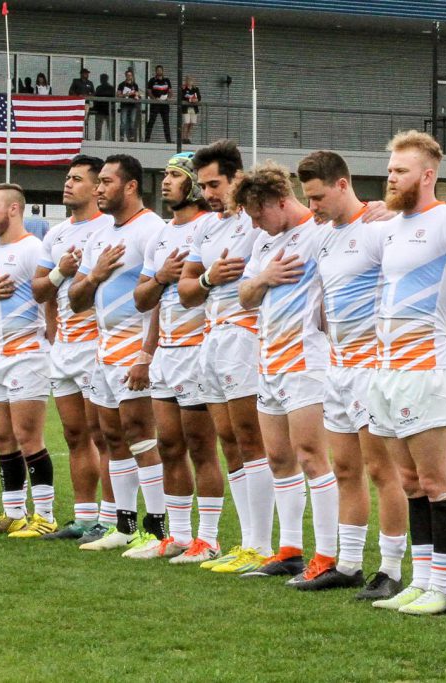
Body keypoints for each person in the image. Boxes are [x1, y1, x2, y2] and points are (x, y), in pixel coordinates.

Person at [368, 131, 446, 616]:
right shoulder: (391, 227)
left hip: (425, 368)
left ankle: (441, 588)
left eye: (400, 171)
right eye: (389, 170)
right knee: (409, 481)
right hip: (384, 369)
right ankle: (419, 580)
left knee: (437, 480)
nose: (391, 178)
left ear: (426, 175)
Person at [297, 150, 410, 597]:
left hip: (372, 366)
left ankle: (392, 569)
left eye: (318, 197)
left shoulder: (381, 227)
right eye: (307, 198)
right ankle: (347, 564)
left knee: (383, 470)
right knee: (345, 468)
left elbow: (419, 267)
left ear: (343, 184)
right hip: (337, 365)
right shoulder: (324, 235)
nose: (313, 207)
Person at [233, 162, 335, 581]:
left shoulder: (319, 232)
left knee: (313, 457)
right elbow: (243, 296)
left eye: (259, 214)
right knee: (278, 458)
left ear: (280, 201)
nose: (256, 223)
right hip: (269, 361)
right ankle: (290, 550)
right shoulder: (262, 243)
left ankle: (327, 556)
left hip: (306, 361)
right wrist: (264, 277)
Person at [177, 140, 275, 572]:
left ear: (238, 177)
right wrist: (208, 279)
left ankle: (264, 543)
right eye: (202, 186)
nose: (208, 194)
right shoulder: (204, 229)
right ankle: (247, 541)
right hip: (210, 338)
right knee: (229, 440)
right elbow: (184, 292)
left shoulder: (259, 221)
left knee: (252, 439)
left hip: (246, 336)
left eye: (214, 184)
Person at [69, 154, 169, 552]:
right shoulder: (98, 236)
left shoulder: (152, 230)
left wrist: (147, 352)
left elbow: (161, 295)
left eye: (106, 181)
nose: (98, 189)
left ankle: (158, 528)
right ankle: (124, 526)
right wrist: (94, 274)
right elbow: (76, 300)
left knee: (141, 437)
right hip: (103, 350)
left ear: (130, 186)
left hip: (134, 349)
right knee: (111, 438)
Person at [128, 152, 221, 559]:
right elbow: (144, 300)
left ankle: (210, 538)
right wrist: (147, 354)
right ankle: (179, 536)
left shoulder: (211, 227)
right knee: (168, 446)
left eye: (174, 175)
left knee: (202, 448)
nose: (165, 181)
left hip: (199, 350)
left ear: (194, 185)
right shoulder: (161, 236)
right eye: (164, 174)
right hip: (166, 352)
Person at [0, 183, 57, 538]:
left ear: (14, 210)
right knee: (2, 436)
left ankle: (45, 515)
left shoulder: (33, 249)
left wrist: (52, 341)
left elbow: (49, 298)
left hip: (27, 354)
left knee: (28, 436)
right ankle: (13, 512)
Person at [33, 156, 115, 542]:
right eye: (67, 177)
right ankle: (83, 515)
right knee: (74, 434)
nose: (68, 184)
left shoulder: (109, 228)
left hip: (97, 344)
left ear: (98, 187)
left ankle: (112, 517)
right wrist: (60, 272)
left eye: (77, 179)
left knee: (104, 435)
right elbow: (39, 290)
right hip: (64, 347)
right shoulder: (56, 234)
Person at [145, 65, 172, 143]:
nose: (159, 71)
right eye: (158, 70)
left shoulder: (167, 80)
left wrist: (169, 98)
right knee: (151, 121)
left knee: (166, 122)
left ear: (163, 71)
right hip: (155, 103)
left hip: (164, 104)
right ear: (156, 71)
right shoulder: (152, 80)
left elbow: (170, 91)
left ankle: (168, 140)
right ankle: (147, 138)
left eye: (160, 70)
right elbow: (149, 91)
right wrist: (154, 98)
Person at [117, 69, 140, 142]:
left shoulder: (135, 85)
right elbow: (118, 95)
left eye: (130, 75)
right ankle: (122, 137)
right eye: (127, 75)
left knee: (132, 121)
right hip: (124, 105)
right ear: (125, 76)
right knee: (123, 121)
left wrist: (136, 95)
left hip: (133, 105)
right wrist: (125, 94)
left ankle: (132, 137)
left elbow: (137, 93)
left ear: (132, 76)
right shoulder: (122, 84)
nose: (129, 76)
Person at [94, 73, 115, 141]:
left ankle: (112, 140)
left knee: (110, 127)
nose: (102, 80)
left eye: (103, 78)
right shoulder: (99, 88)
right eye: (101, 79)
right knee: (98, 128)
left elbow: (114, 99)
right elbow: (95, 99)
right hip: (101, 111)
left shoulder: (110, 88)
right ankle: (98, 140)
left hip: (108, 111)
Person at [181, 75, 200, 144]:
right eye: (188, 80)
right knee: (186, 122)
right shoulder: (183, 89)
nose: (189, 82)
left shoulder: (196, 89)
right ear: (186, 81)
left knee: (192, 123)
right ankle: (183, 138)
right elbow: (182, 97)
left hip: (194, 108)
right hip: (186, 108)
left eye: (191, 80)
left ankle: (188, 137)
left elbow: (199, 97)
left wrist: (196, 100)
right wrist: (190, 99)